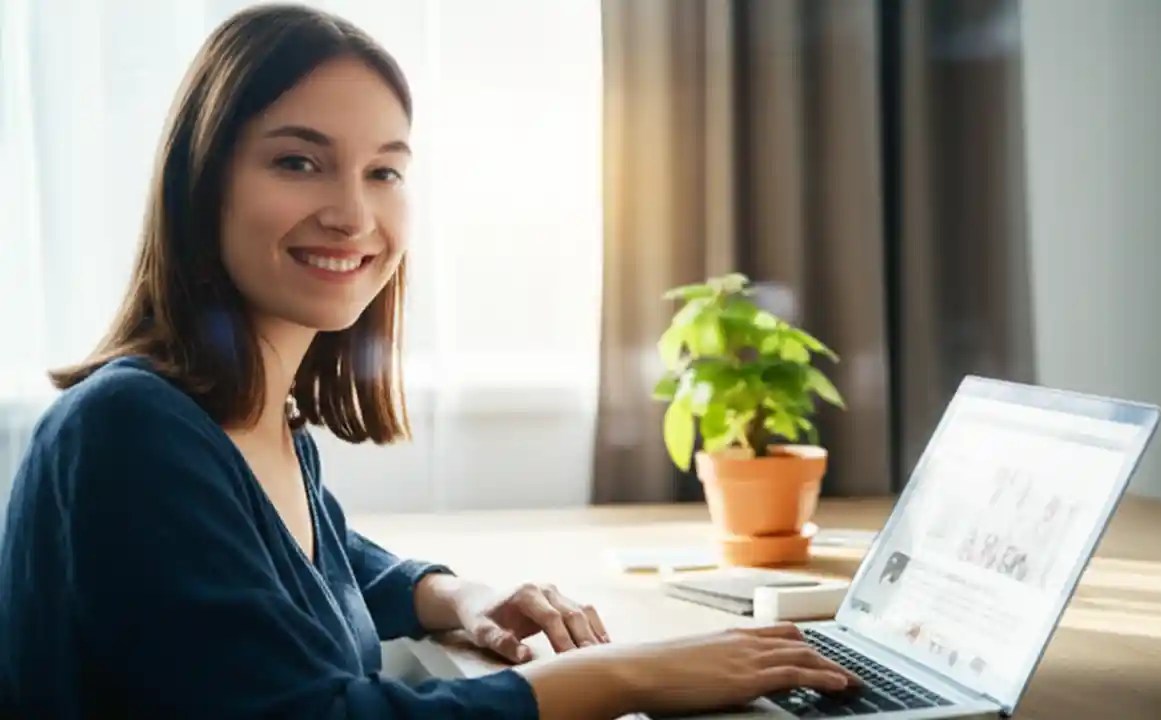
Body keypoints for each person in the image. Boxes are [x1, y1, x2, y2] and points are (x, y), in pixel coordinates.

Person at [0, 5, 855, 719]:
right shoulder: (131, 431)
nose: (351, 212)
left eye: (384, 172)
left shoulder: (254, 413)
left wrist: (456, 596)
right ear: (202, 181)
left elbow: (302, 573)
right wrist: (622, 676)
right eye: (298, 162)